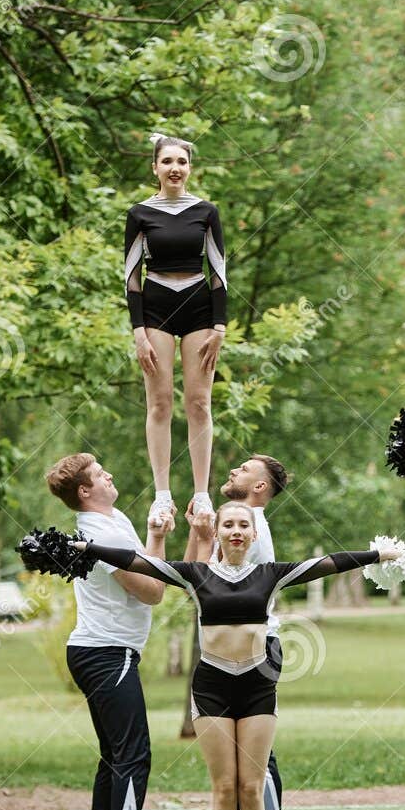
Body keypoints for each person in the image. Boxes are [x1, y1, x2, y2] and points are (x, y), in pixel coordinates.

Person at [75, 510, 394, 810]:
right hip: (212, 688)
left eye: (244, 526)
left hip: (257, 688)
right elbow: (139, 562)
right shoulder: (196, 574)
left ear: (254, 532)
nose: (237, 531)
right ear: (218, 532)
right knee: (224, 788)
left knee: (251, 785)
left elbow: (327, 564)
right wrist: (87, 548)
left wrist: (376, 555)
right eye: (229, 525)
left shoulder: (271, 574)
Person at [44, 453, 179, 810]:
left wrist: (152, 534)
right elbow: (152, 591)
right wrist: (157, 541)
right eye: (102, 474)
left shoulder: (113, 519)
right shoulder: (99, 533)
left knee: (114, 755)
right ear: (86, 492)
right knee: (133, 753)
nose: (110, 474)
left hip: (101, 650)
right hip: (107, 652)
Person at [185, 455, 294, 810]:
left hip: (257, 647)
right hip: (219, 652)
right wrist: (200, 534)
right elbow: (196, 575)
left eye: (245, 469)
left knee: (255, 759)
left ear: (261, 487)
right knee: (233, 763)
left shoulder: (254, 528)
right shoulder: (228, 524)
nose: (234, 471)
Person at [126, 133, 227, 531]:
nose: (174, 168)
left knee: (199, 403)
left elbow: (218, 270)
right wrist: (138, 332)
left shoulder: (206, 211)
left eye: (181, 162)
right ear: (155, 167)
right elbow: (131, 276)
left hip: (199, 306)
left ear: (189, 167)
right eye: (167, 161)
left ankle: (202, 495)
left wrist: (219, 326)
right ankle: (162, 497)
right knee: (160, 402)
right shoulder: (139, 214)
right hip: (155, 307)